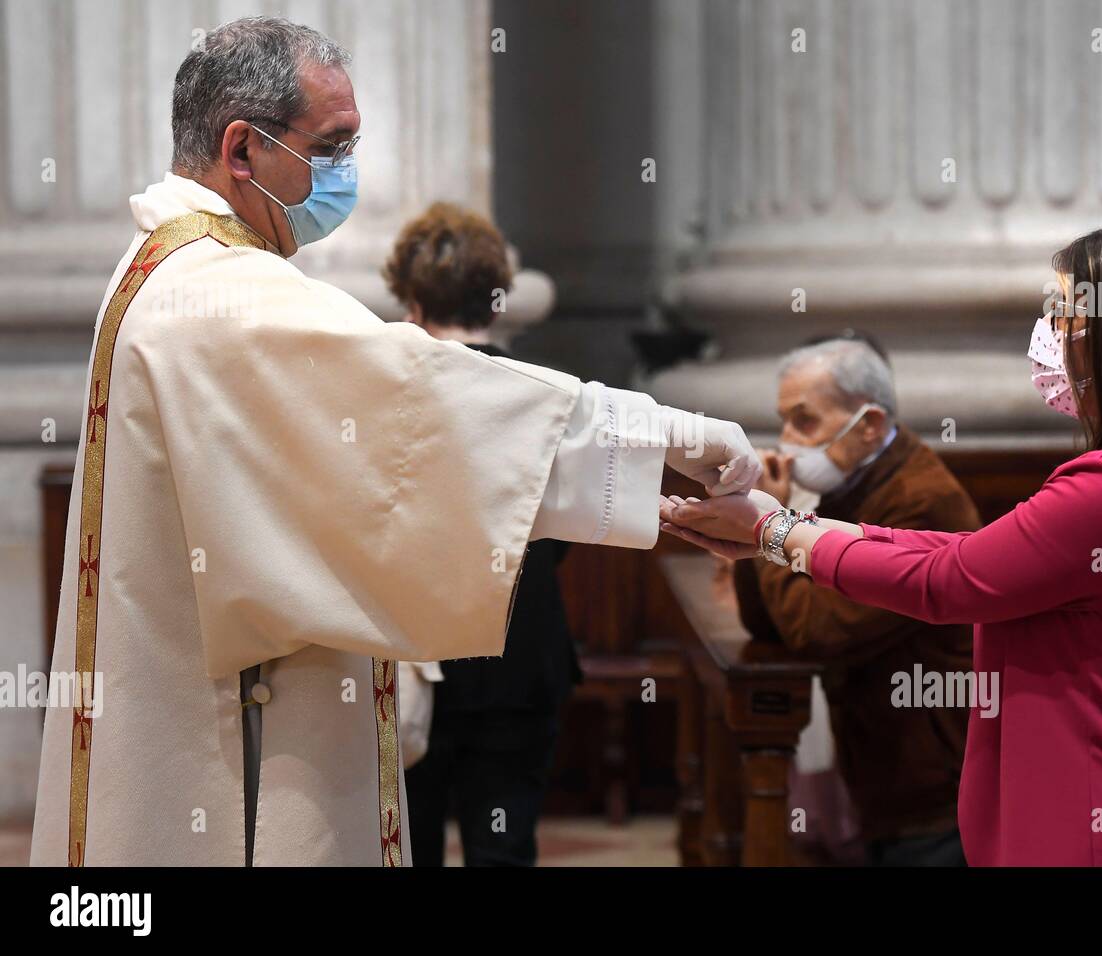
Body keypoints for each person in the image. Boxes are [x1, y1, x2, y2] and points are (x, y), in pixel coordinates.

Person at [30, 17, 759, 867]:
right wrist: (659, 434)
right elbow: (420, 399)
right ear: (241, 148)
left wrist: (637, 474)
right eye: (332, 145)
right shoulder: (213, 294)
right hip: (238, 737)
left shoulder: (166, 268)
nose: (346, 173)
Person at [661, 217, 1102, 866]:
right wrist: (784, 532)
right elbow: (953, 554)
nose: (1050, 337)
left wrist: (773, 531)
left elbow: (949, 582)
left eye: (1065, 314)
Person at [733, 337, 981, 866]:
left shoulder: (917, 500)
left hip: (934, 783)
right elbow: (767, 625)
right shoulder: (858, 481)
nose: (786, 442)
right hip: (885, 770)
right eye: (783, 421)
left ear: (868, 424)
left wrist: (771, 525)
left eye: (805, 422)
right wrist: (764, 531)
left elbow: (816, 631)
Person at [383, 202, 580, 866]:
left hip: (418, 656)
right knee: (504, 849)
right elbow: (566, 530)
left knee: (411, 849)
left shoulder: (383, 393)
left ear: (411, 301)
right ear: (496, 302)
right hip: (518, 659)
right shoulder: (550, 395)